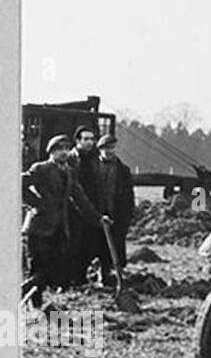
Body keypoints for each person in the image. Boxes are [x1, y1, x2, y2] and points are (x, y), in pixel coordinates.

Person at [21, 135, 111, 310]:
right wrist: (36, 203)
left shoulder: (69, 172)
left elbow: (80, 198)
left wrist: (98, 218)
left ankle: (26, 292)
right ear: (51, 152)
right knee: (38, 267)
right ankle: (35, 306)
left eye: (66, 149)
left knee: (57, 268)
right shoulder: (41, 168)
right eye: (59, 149)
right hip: (39, 228)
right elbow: (19, 183)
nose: (63, 152)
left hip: (60, 229)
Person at [64, 125, 104, 285]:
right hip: (72, 210)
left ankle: (81, 277)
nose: (90, 142)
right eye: (86, 139)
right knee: (73, 245)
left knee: (89, 245)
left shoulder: (95, 160)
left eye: (92, 139)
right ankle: (70, 279)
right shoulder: (70, 159)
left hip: (91, 209)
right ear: (78, 141)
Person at [94, 134, 135, 286]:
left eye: (112, 148)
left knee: (117, 245)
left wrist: (129, 214)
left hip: (117, 214)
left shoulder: (123, 170)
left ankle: (116, 276)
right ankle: (99, 275)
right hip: (95, 213)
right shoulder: (92, 168)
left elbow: (129, 195)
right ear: (99, 150)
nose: (109, 151)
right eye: (106, 148)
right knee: (97, 246)